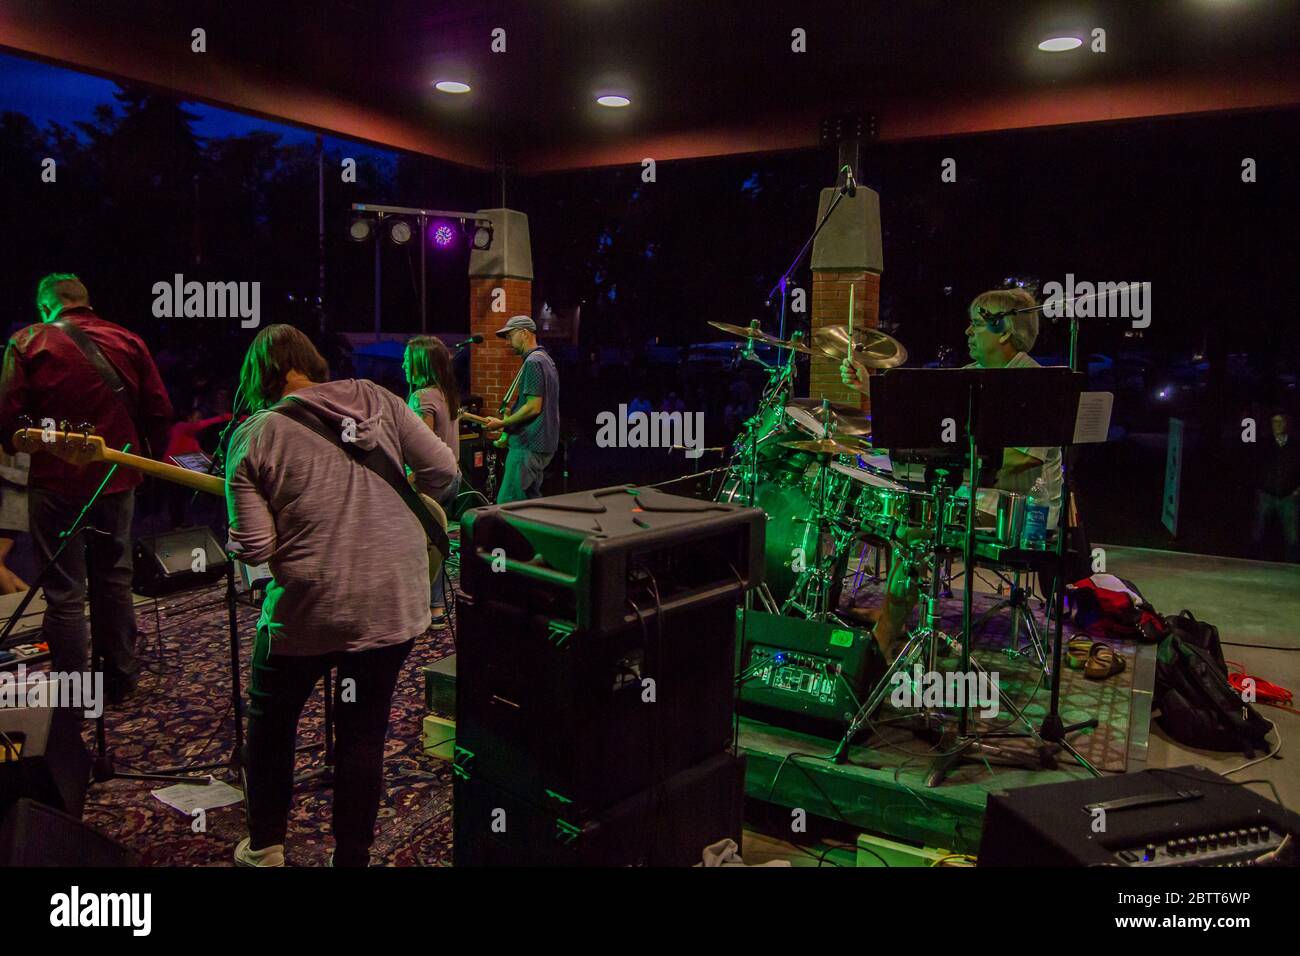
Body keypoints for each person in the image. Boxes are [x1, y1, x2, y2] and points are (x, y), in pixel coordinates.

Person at [225, 324, 458, 867]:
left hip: (312, 609)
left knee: (272, 722)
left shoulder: (256, 434)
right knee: (362, 731)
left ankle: (266, 848)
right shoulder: (380, 398)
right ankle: (351, 858)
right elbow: (444, 468)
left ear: (266, 375)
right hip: (392, 600)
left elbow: (257, 547)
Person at [840, 287, 1061, 656]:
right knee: (904, 512)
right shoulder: (973, 376)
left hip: (1022, 510)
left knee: (916, 528)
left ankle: (883, 639)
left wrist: (951, 464)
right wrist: (869, 385)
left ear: (1004, 331)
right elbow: (922, 410)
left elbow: (1020, 462)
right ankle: (895, 614)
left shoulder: (1033, 383)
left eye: (976, 325)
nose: (967, 333)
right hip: (981, 495)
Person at [0, 274, 173, 700]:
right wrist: (144, 462)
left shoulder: (27, 342)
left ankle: (76, 696)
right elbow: (159, 409)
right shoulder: (128, 340)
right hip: (117, 477)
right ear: (85, 303)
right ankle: (120, 680)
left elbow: (8, 418)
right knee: (115, 578)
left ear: (46, 307)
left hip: (55, 483)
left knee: (64, 592)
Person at [402, 335, 463, 623]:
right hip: (454, 478)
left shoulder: (421, 397)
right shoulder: (445, 393)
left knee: (419, 546)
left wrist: (404, 481)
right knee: (436, 541)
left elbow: (420, 448)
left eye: (407, 359)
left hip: (432, 483)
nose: (402, 364)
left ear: (421, 364)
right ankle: (436, 609)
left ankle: (426, 607)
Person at [483, 315, 559, 503]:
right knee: (530, 504)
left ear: (524, 333)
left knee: (508, 505)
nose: (508, 342)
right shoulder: (546, 360)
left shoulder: (533, 362)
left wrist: (503, 423)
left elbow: (533, 407)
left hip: (528, 445)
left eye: (510, 336)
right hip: (542, 443)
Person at [1251, 411, 1300, 562]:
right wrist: (1259, 485)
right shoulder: (1264, 443)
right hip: (1266, 493)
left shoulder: (1295, 445)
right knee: (1258, 531)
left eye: (1280, 422)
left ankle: (1292, 569)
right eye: (1274, 422)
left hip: (1288, 495)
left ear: (1286, 424)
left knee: (1292, 535)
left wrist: (1298, 488)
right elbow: (1253, 464)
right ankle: (1252, 563)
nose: (1277, 425)